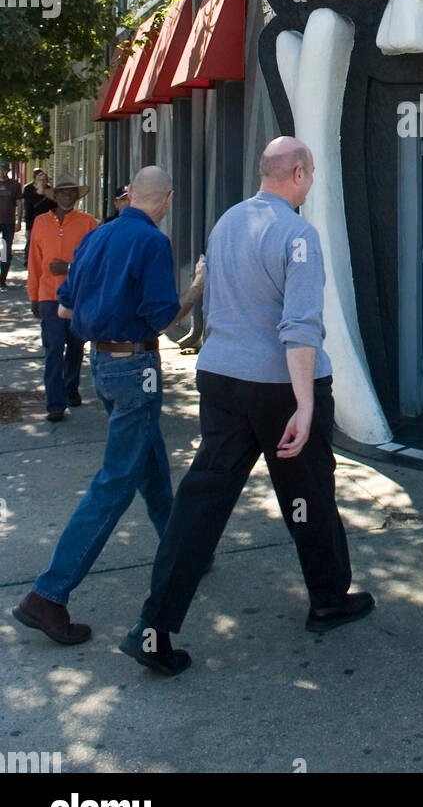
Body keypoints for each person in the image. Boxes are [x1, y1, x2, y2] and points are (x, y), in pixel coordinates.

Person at [121, 136, 373, 677]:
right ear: (300, 173)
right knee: (309, 492)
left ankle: (153, 626)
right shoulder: (298, 235)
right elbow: (300, 327)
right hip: (278, 386)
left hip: (220, 377)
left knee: (201, 501)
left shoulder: (226, 223)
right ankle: (328, 598)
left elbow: (213, 295)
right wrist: (304, 404)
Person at [12, 166, 205, 646]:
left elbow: (64, 308)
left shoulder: (97, 236)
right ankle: (48, 594)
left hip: (101, 366)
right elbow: (162, 319)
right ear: (168, 199)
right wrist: (200, 286)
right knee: (115, 483)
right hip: (134, 364)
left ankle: (184, 553)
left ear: (129, 197)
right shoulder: (153, 243)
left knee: (151, 466)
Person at [27, 172, 98, 418]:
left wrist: (68, 268)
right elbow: (34, 262)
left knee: (76, 345)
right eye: (63, 193)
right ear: (54, 196)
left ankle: (71, 388)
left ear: (77, 197)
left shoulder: (89, 223)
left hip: (78, 296)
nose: (68, 197)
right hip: (48, 294)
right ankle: (55, 404)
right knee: (53, 347)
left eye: (72, 193)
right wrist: (33, 295)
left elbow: (95, 262)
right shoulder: (40, 222)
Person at [22, 168, 52, 268]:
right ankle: (30, 262)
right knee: (32, 244)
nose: (42, 182)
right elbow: (28, 211)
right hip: (34, 223)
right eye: (40, 179)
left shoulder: (51, 193)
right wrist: (28, 229)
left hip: (48, 224)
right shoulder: (30, 192)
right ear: (35, 181)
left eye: (44, 179)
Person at [0, 161, 23, 288]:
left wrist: (19, 221)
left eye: (3, 169)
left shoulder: (14, 185)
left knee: (5, 251)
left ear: (8, 171)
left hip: (8, 222)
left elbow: (20, 203)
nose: (1, 172)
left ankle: (2, 277)